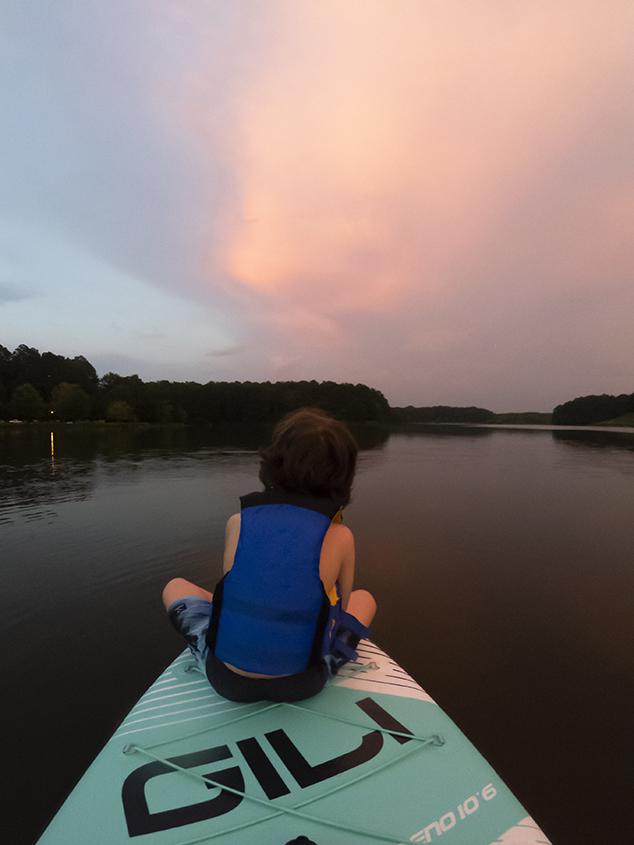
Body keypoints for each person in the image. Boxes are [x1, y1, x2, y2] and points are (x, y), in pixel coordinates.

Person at [162, 407, 377, 702]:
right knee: (365, 600)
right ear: (344, 475)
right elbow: (342, 609)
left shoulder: (238, 522)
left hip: (227, 681)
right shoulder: (340, 536)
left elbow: (235, 588)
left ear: (273, 463)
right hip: (302, 684)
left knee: (174, 586)